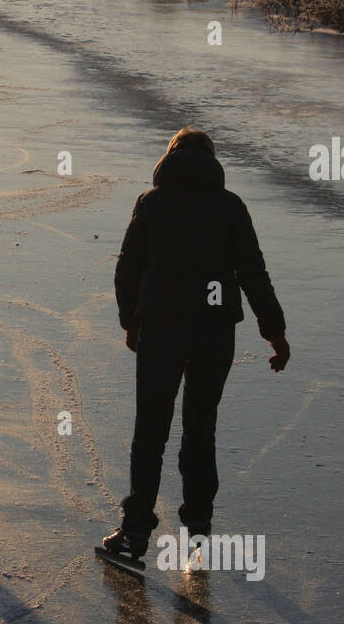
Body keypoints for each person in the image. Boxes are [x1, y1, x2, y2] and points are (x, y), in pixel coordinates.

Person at [103, 127, 290, 564]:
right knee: (200, 429)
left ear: (168, 159)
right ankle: (200, 536)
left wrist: (130, 322)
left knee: (150, 431)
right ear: (212, 162)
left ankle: (134, 535)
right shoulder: (230, 207)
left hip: (161, 329)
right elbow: (253, 274)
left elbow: (126, 271)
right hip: (214, 331)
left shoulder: (152, 203)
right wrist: (274, 333)